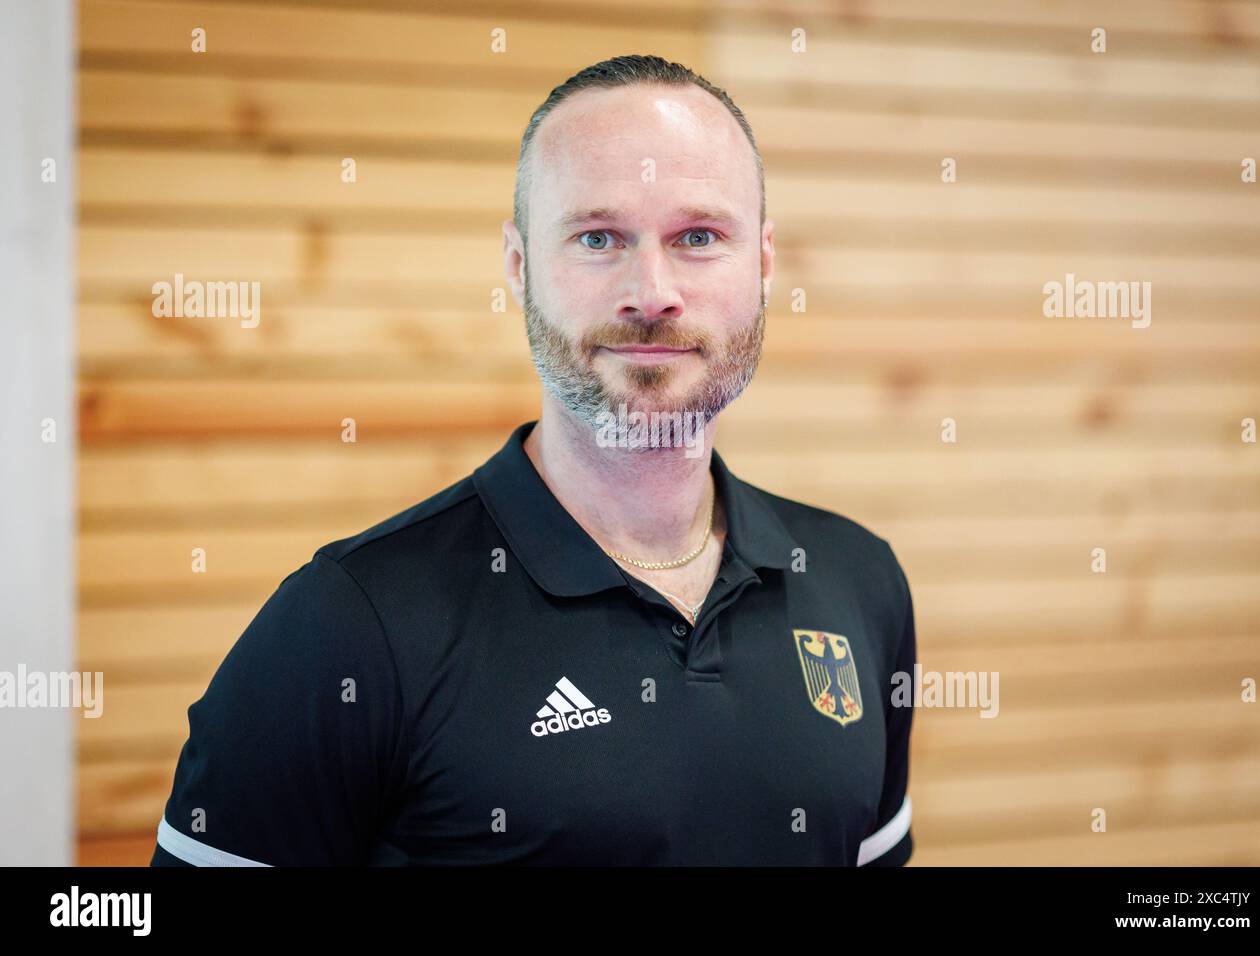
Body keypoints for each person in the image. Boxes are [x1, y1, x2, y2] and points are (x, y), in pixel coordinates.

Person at [151, 54, 916, 867]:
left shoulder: (858, 583)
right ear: (518, 266)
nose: (651, 291)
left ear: (763, 263)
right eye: (598, 237)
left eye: (698, 236)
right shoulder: (346, 626)